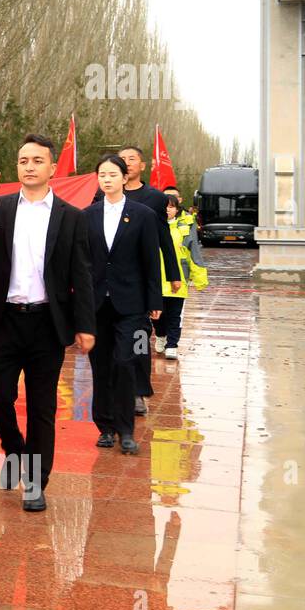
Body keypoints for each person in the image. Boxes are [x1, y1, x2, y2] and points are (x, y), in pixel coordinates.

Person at [0, 133, 95, 512]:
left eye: (37, 160)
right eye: (23, 161)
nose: (29, 166)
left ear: (52, 168)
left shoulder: (71, 217)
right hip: (2, 321)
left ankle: (36, 481)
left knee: (42, 407)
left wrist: (86, 325)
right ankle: (14, 450)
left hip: (46, 324)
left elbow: (81, 274)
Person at [83, 154, 163, 456]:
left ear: (124, 178)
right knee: (100, 366)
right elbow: (83, 261)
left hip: (131, 303)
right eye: (102, 174)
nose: (107, 179)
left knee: (125, 362)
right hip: (96, 303)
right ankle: (105, 428)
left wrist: (154, 299)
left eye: (112, 174)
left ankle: (126, 430)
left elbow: (150, 260)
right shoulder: (87, 215)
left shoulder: (141, 214)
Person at [92, 146, 181, 416]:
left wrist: (174, 272)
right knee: (110, 349)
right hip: (107, 287)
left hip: (138, 285)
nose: (127, 164)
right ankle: (113, 398)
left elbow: (163, 237)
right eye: (123, 159)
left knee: (139, 343)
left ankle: (139, 392)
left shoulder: (153, 198)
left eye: (132, 159)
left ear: (141, 165)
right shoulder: (101, 196)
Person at [158, 194, 206, 359]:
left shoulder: (184, 227)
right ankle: (160, 335)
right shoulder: (151, 226)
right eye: (164, 206)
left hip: (178, 278)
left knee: (174, 314)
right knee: (157, 315)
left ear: (177, 210)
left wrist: (199, 278)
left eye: (171, 207)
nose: (167, 210)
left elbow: (193, 253)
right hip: (156, 279)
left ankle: (172, 344)